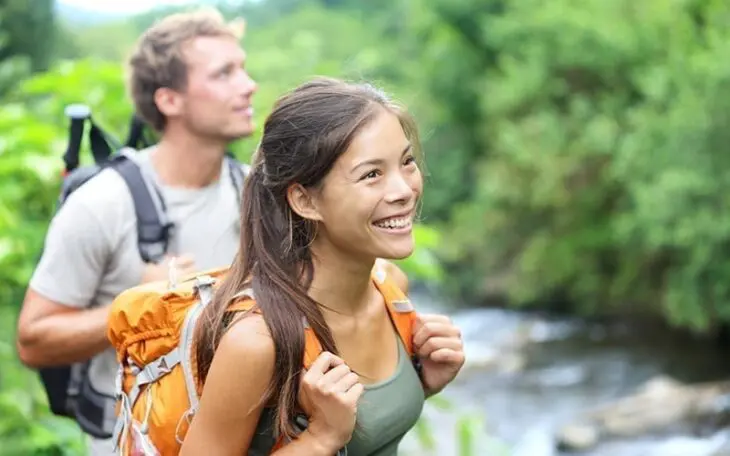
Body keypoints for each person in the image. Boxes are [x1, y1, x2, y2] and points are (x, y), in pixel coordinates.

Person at [15, 8, 257, 455]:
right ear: (170, 100)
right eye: (224, 73)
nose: (248, 85)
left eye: (242, 68)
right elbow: (33, 340)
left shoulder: (256, 193)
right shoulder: (104, 203)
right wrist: (143, 304)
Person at [180, 77, 465, 455]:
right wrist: (321, 439)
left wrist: (422, 383)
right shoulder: (258, 343)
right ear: (305, 200)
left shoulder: (390, 290)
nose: (404, 190)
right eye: (371, 174)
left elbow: (371, 433)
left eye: (407, 162)